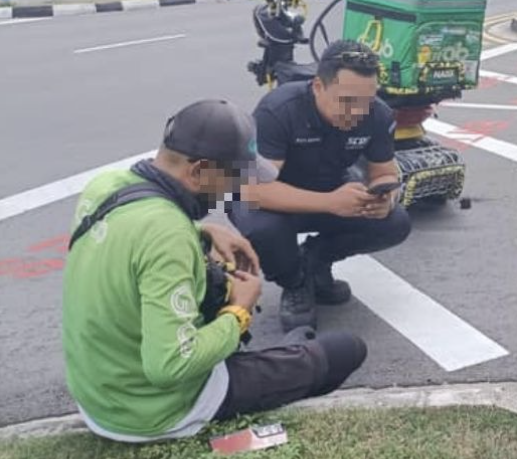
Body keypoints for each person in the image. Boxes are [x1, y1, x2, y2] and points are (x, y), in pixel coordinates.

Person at [62, 100, 367, 443]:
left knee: (279, 339)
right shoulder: (167, 234)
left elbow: (130, 243)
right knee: (345, 349)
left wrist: (201, 232)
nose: (234, 189)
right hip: (155, 411)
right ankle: (288, 355)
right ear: (199, 171)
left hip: (100, 396)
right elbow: (171, 365)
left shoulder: (105, 186)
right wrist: (238, 313)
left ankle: (286, 352)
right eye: (233, 177)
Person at [232, 40, 412, 332]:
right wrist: (330, 202)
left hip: (330, 187)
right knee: (265, 230)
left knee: (395, 222)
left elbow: (384, 172)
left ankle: (315, 260)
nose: (356, 113)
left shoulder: (377, 114)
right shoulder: (279, 109)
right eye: (346, 101)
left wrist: (385, 196)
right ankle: (295, 282)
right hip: (270, 195)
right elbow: (253, 189)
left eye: (366, 102)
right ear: (318, 86)